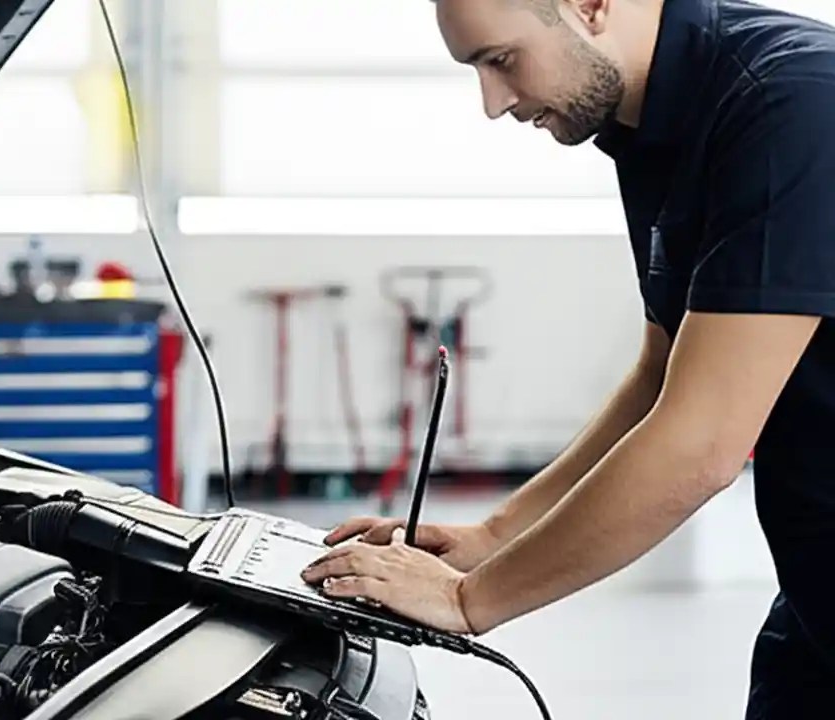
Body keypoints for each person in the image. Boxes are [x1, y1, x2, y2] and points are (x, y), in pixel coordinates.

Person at [299, 0, 835, 716]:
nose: (493, 104)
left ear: (589, 6)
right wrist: (492, 537)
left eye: (501, 60)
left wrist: (470, 599)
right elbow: (661, 378)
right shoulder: (653, 120)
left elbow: (704, 442)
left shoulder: (793, 104)